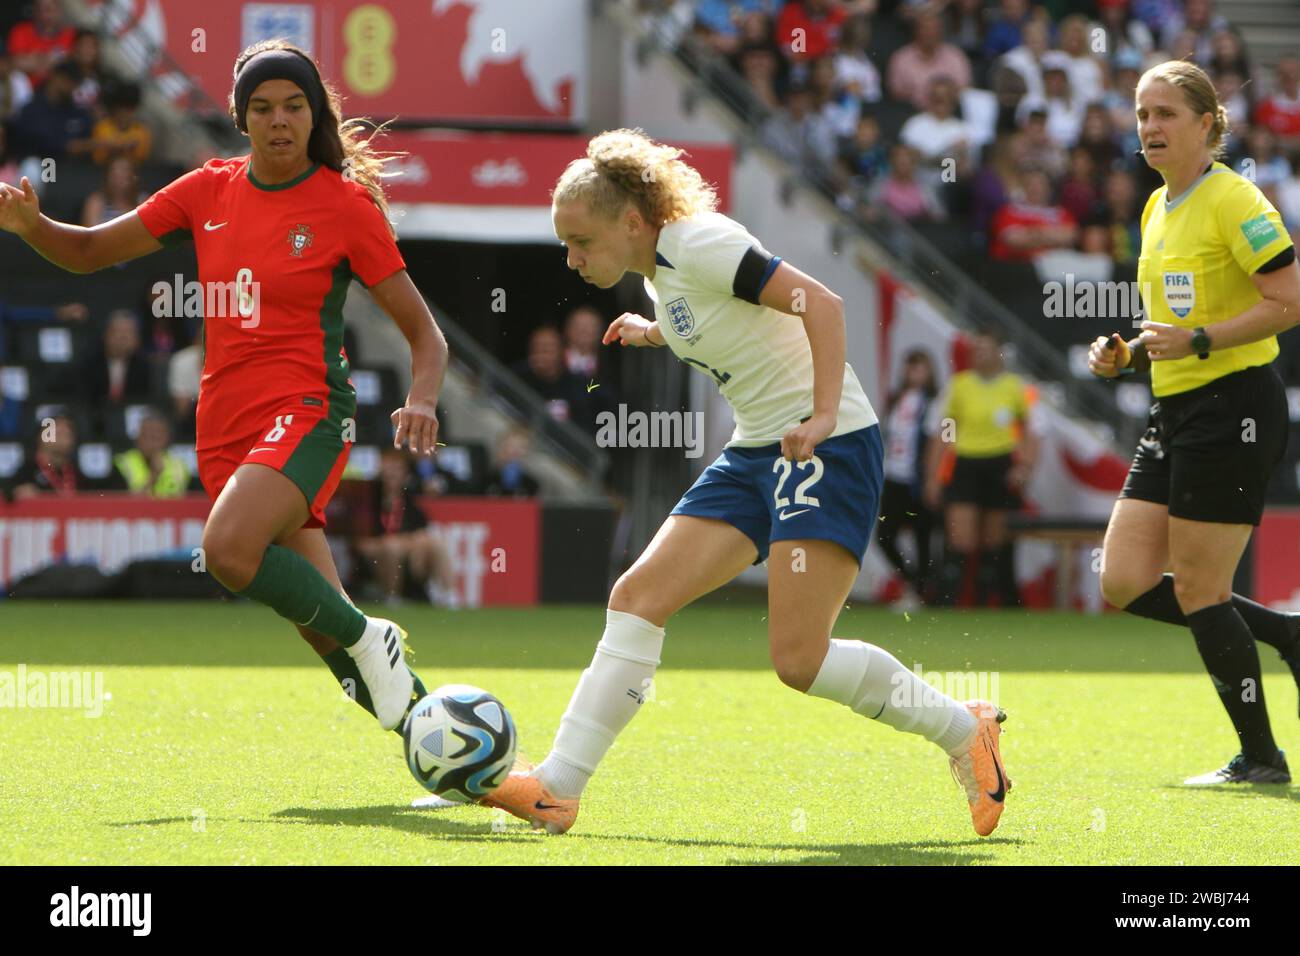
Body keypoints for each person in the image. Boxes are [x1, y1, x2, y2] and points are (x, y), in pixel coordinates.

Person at [476, 128, 1012, 837]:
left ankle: (962, 728)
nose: (571, 259)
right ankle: (557, 787)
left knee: (798, 659)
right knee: (637, 598)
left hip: (827, 444)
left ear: (631, 221)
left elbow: (820, 304)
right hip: (757, 450)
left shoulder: (698, 242)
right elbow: (721, 316)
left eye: (581, 241)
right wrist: (654, 331)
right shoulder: (660, 270)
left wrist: (823, 414)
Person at [0, 39, 448, 734]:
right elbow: (87, 253)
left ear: (314, 114)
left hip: (307, 413)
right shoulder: (206, 190)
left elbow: (426, 334)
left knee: (230, 553)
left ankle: (370, 633)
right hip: (223, 429)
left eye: (294, 106)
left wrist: (420, 398)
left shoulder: (346, 206)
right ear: (241, 118)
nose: (279, 120)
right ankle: (444, 746)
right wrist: (34, 227)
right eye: (262, 107)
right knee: (323, 636)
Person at [1088, 60, 1300, 786]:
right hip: (1173, 408)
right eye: (1142, 114)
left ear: (1208, 123)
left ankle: (1262, 759)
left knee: (1200, 592)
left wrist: (1202, 340)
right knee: (1122, 578)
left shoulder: (1234, 197)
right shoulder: (1155, 207)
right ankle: (1288, 635)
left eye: (1165, 114)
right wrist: (1127, 350)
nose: (1149, 127)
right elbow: (1170, 323)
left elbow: (1290, 299)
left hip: (1235, 404)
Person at [924, 329, 1038, 608]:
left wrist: (1023, 467)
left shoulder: (1016, 387)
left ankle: (985, 604)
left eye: (986, 349)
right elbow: (945, 433)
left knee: (993, 539)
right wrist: (933, 476)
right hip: (967, 463)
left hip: (1000, 464)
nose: (980, 355)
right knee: (960, 538)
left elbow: (1027, 433)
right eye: (976, 350)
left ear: (999, 352)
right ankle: (947, 604)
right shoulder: (960, 385)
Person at [353, 446, 456, 607]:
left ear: (405, 474)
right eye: (388, 467)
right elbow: (361, 544)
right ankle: (392, 599)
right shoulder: (368, 499)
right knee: (392, 546)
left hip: (411, 558)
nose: (392, 473)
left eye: (397, 469)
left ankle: (449, 598)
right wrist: (396, 543)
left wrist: (407, 544)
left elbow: (421, 534)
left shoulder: (410, 500)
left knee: (436, 544)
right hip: (379, 559)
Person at [877, 349, 938, 609]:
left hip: (917, 477)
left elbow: (936, 438)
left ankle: (923, 591)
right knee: (885, 535)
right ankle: (913, 582)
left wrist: (931, 476)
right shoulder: (896, 398)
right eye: (909, 367)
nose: (913, 373)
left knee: (922, 535)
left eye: (919, 367)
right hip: (894, 474)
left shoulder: (934, 401)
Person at [110, 407, 194, 497]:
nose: (152, 443)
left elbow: (187, 502)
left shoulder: (179, 466)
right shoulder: (122, 464)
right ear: (138, 438)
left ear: (167, 439)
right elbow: (122, 503)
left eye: (156, 437)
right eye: (147, 436)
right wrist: (154, 476)